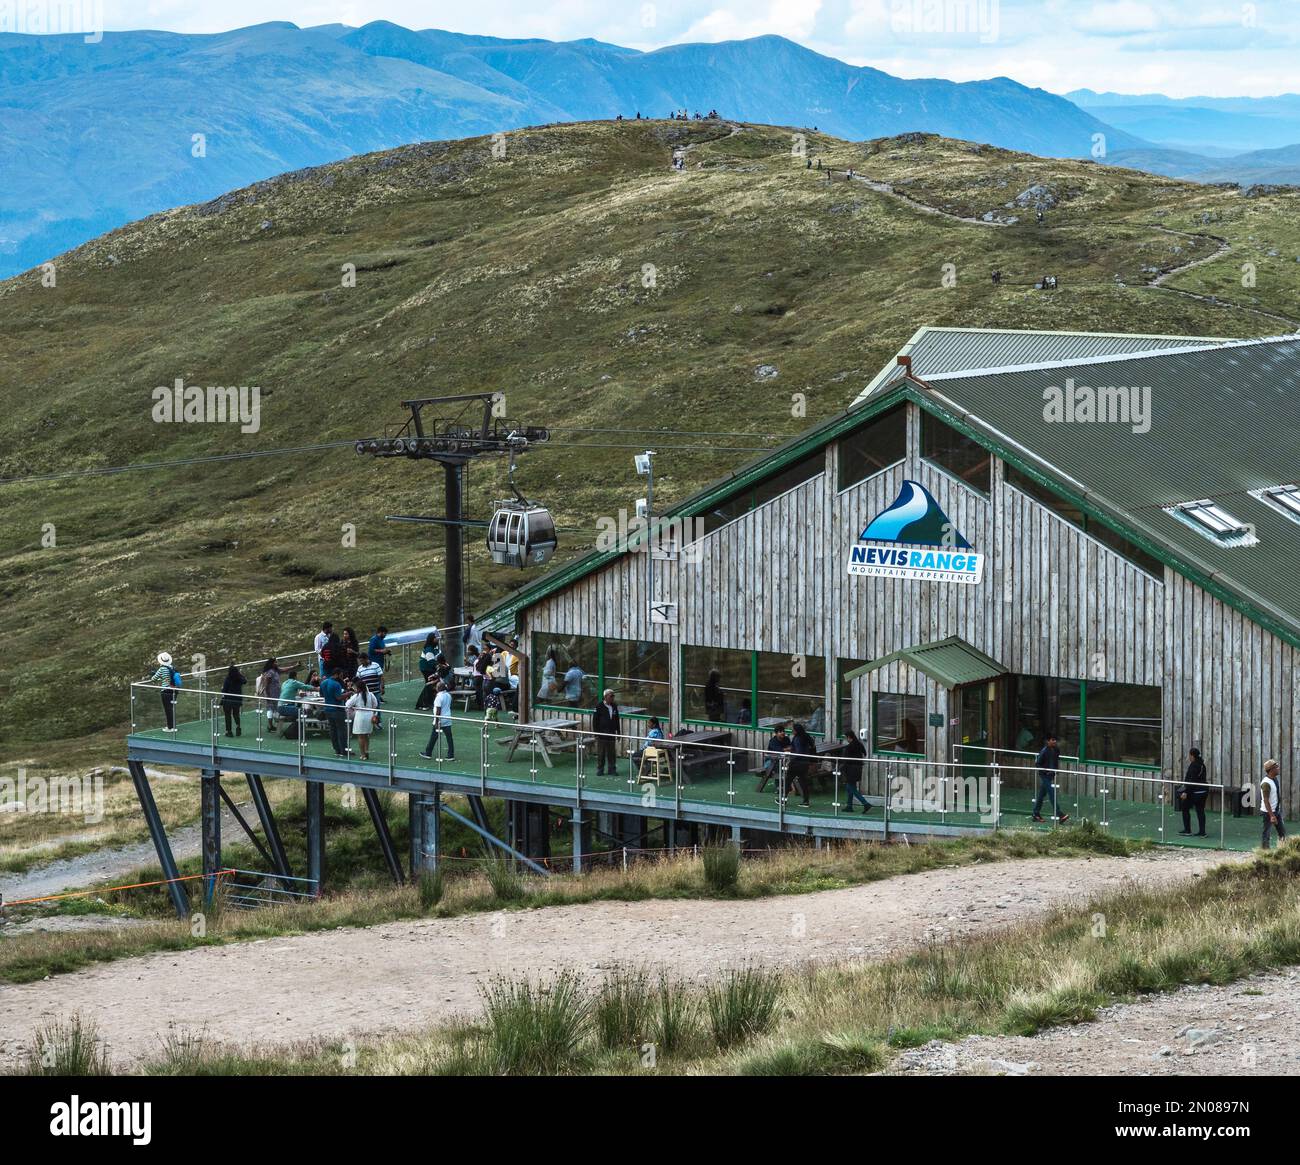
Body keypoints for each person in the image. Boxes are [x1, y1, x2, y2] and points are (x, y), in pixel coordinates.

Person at [1032, 734, 1070, 823]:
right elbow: (1038, 763)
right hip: (1045, 775)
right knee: (1052, 793)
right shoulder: (1044, 751)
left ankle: (1035, 813)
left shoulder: (1056, 750)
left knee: (1041, 795)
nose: (1055, 741)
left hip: (1051, 775)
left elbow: (1055, 761)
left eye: (1055, 740)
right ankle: (1060, 814)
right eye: (1052, 740)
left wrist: (1055, 771)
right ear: (1048, 741)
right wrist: (1045, 771)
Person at [1177, 747, 1209, 837]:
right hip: (1203, 790)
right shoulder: (1202, 765)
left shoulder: (1194, 765)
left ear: (1192, 755)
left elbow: (1192, 780)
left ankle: (1187, 830)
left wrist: (1185, 792)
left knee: (1185, 807)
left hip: (1195, 791)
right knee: (1200, 810)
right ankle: (1202, 832)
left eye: (1189, 755)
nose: (1189, 757)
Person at [420, 682, 455, 761]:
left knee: (433, 737)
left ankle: (428, 753)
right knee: (449, 738)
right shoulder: (448, 695)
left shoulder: (439, 697)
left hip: (440, 720)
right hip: (447, 718)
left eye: (436, 686)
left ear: (439, 688)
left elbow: (438, 711)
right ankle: (451, 754)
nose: (435, 687)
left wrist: (436, 721)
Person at [346, 680, 379, 761]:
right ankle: (367, 751)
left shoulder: (356, 696)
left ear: (358, 688)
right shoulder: (370, 695)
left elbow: (347, 704)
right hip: (369, 715)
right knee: (366, 735)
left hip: (360, 716)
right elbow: (375, 704)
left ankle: (362, 754)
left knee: (360, 737)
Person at [319, 668, 349, 757]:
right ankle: (343, 750)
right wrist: (349, 693)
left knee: (333, 730)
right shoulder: (336, 684)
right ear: (337, 674)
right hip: (337, 709)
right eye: (341, 675)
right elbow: (339, 697)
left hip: (327, 709)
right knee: (341, 730)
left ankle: (337, 749)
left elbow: (321, 694)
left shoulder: (324, 682)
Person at [149, 651, 181, 731]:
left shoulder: (162, 669)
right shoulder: (172, 668)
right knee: (171, 708)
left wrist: (153, 674)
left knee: (168, 709)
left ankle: (170, 727)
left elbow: (153, 679)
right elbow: (168, 678)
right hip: (174, 690)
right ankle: (173, 726)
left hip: (166, 691)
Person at [841, 729, 872, 813]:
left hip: (851, 769)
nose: (846, 739)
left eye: (846, 737)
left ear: (849, 737)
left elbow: (845, 760)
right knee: (849, 787)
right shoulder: (859, 744)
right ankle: (849, 806)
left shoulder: (849, 747)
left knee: (852, 788)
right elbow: (864, 753)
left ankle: (866, 804)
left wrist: (841, 768)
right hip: (858, 768)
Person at [593, 688, 621, 776]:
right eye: (611, 696)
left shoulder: (614, 706)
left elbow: (617, 719)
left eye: (613, 696)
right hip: (602, 733)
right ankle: (600, 769)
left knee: (612, 753)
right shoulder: (599, 706)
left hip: (611, 732)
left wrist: (618, 732)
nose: (613, 698)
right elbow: (595, 720)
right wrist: (596, 733)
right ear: (605, 697)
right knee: (601, 752)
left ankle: (612, 769)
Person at [787, 723, 816, 807]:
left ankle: (782, 799)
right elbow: (813, 746)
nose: (792, 731)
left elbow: (798, 752)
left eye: (793, 730)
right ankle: (806, 801)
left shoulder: (797, 739)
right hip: (805, 763)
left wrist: (792, 759)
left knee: (788, 780)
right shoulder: (806, 736)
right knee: (803, 782)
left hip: (796, 763)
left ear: (796, 731)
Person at [756, 724, 790, 793]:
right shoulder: (773, 741)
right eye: (780, 732)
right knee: (779, 766)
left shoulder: (786, 739)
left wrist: (785, 749)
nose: (782, 733)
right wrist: (786, 749)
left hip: (783, 761)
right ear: (776, 733)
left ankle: (787, 786)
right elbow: (779, 751)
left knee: (788, 766)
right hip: (770, 762)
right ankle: (779, 787)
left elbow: (791, 748)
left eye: (783, 731)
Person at [1261, 758, 1285, 848]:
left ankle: (1283, 850)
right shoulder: (1266, 783)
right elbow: (1266, 800)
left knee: (1282, 832)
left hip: (1276, 811)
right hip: (1268, 813)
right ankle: (1264, 853)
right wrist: (1271, 815)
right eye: (1276, 767)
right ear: (1271, 770)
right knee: (1266, 834)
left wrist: (1276, 812)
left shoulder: (1274, 779)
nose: (1278, 768)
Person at [277, 667, 309, 737]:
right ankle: (298, 732)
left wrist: (298, 694)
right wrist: (317, 689)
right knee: (303, 712)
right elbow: (305, 687)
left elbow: (289, 692)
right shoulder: (294, 682)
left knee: (298, 711)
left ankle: (296, 729)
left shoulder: (285, 683)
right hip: (285, 707)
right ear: (295, 676)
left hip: (280, 706)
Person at [356, 652, 384, 726]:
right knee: (367, 706)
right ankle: (370, 722)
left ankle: (378, 722)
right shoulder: (360, 668)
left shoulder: (376, 665)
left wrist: (382, 687)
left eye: (362, 661)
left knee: (376, 706)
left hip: (375, 691)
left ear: (366, 659)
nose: (361, 662)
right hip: (366, 692)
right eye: (360, 661)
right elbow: (358, 680)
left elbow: (381, 677)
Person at [220, 662, 246, 737]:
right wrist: (240, 674)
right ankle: (238, 726)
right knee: (236, 714)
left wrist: (222, 690)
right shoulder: (239, 678)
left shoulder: (227, 679)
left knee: (227, 715)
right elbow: (245, 681)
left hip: (228, 700)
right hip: (237, 699)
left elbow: (224, 690)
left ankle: (229, 731)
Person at [255, 657, 282, 730]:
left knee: (274, 708)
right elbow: (266, 685)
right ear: (272, 663)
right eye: (275, 662)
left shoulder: (275, 670)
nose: (277, 663)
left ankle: (273, 724)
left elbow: (284, 669)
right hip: (270, 694)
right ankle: (270, 725)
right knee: (270, 708)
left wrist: (294, 666)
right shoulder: (269, 672)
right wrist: (268, 696)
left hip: (275, 693)